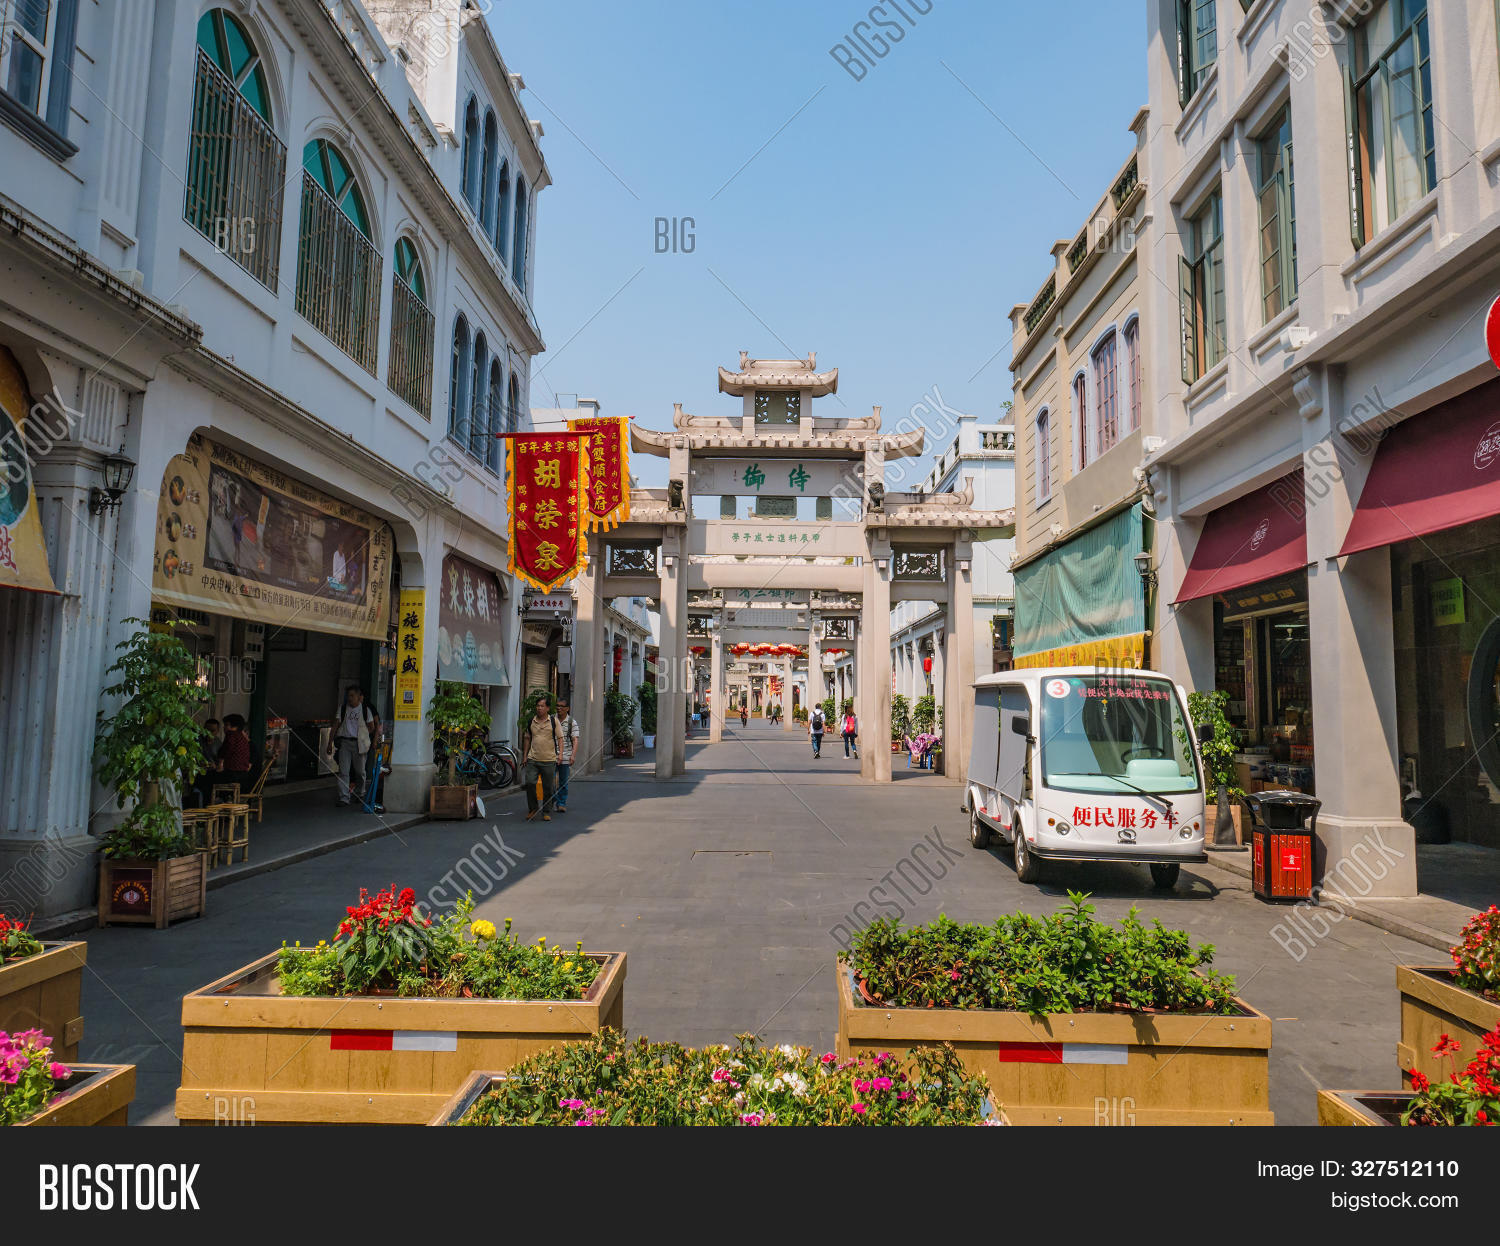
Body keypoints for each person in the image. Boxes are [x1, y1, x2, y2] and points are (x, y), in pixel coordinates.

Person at [327, 686, 380, 807]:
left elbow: (371, 727)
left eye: (352, 695)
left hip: (359, 744)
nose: (349, 698)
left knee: (360, 771)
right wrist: (330, 742)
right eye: (348, 696)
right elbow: (335, 725)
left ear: (358, 696)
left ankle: (360, 793)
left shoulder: (365, 710)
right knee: (343, 771)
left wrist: (363, 736)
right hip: (345, 742)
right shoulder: (343, 708)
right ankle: (344, 797)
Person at [522, 694, 562, 822]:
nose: (539, 708)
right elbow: (527, 738)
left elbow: (560, 738)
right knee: (530, 783)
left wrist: (560, 754)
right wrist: (524, 756)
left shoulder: (553, 721)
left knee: (548, 787)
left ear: (548, 708)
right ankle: (533, 808)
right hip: (533, 759)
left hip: (549, 760)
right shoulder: (531, 721)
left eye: (542, 706)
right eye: (538, 706)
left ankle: (546, 811)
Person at [215, 714, 258, 796]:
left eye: (226, 725)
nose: (224, 727)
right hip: (243, 775)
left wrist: (220, 762)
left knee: (209, 778)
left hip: (232, 774)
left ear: (235, 726)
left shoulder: (231, 735)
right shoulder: (243, 738)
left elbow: (226, 750)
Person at [555, 696, 580, 813]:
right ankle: (552, 800)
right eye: (557, 706)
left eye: (562, 706)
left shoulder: (571, 722)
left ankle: (561, 803)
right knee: (550, 782)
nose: (559, 708)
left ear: (567, 708)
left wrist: (573, 755)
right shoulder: (551, 720)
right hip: (551, 756)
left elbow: (575, 740)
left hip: (565, 756)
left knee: (563, 782)